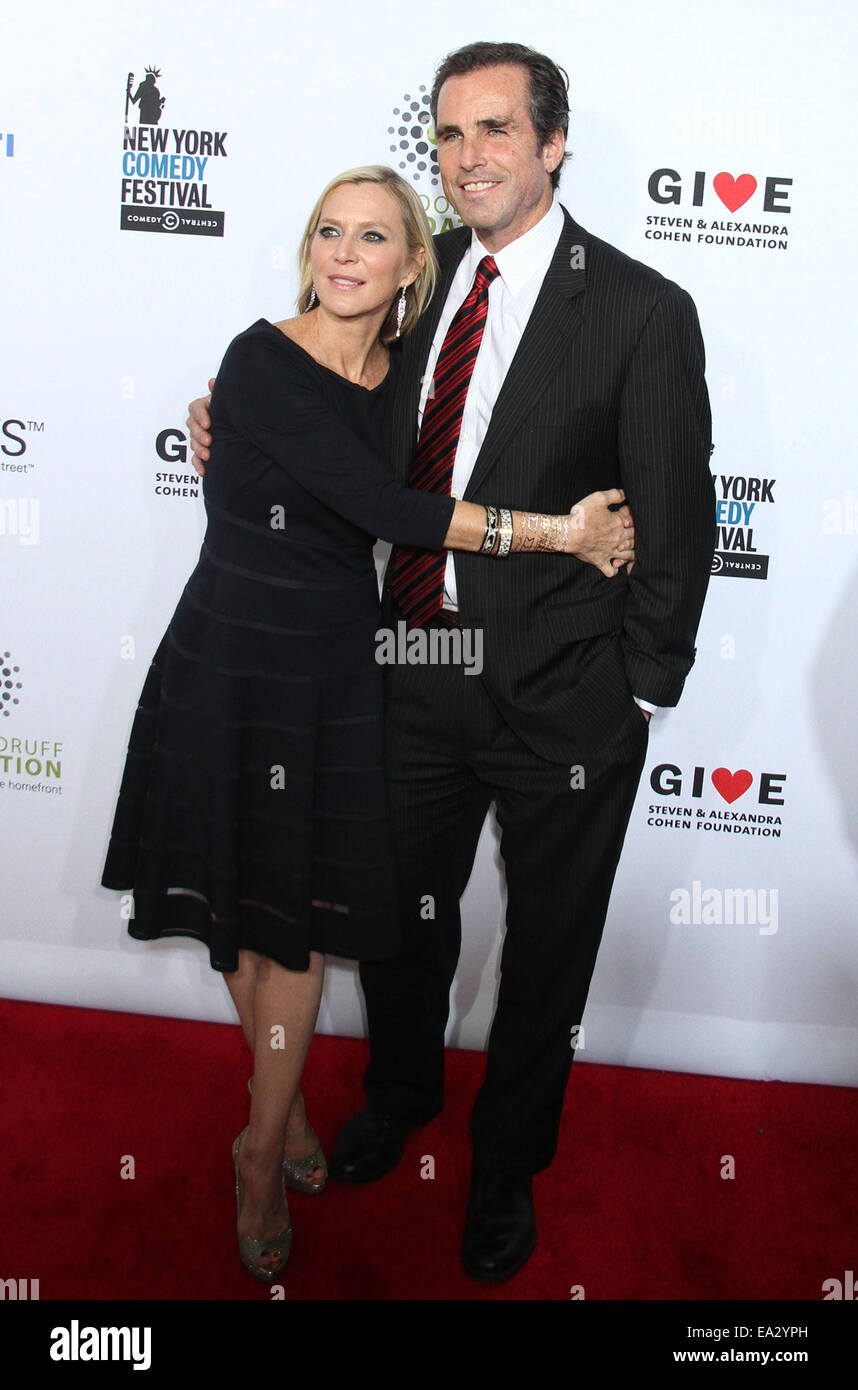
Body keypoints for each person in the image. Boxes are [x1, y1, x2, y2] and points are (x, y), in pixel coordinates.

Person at [104, 163, 635, 1284]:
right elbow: (398, 511)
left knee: (287, 919)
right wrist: (562, 534)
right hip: (232, 661)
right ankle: (270, 1139)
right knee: (246, 919)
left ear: (409, 270)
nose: (346, 253)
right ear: (309, 251)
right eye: (329, 233)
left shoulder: (403, 378)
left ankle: (270, 1125)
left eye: (375, 237)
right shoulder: (260, 357)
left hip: (340, 672)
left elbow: (439, 460)